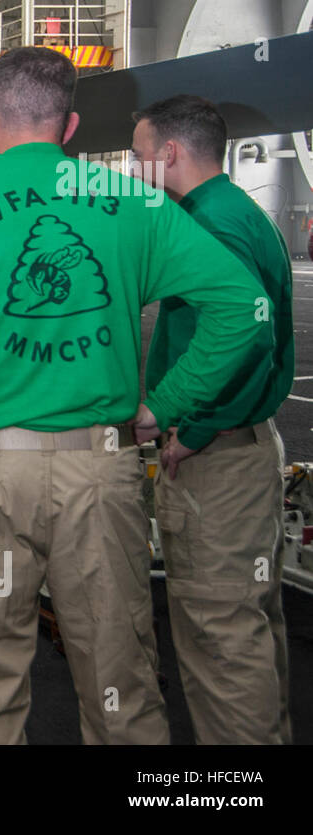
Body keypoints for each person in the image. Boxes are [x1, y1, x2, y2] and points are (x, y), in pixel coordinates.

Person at [0, 46, 271, 744]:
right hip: (101, 470)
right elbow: (243, 304)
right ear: (68, 127)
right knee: (120, 682)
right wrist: (165, 404)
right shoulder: (133, 202)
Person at [131, 94, 293, 744]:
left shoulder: (210, 224)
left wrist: (183, 427)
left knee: (220, 640)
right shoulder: (231, 211)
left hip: (217, 459)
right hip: (242, 452)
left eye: (140, 157)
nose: (136, 170)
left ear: (169, 153)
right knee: (249, 630)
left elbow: (244, 332)